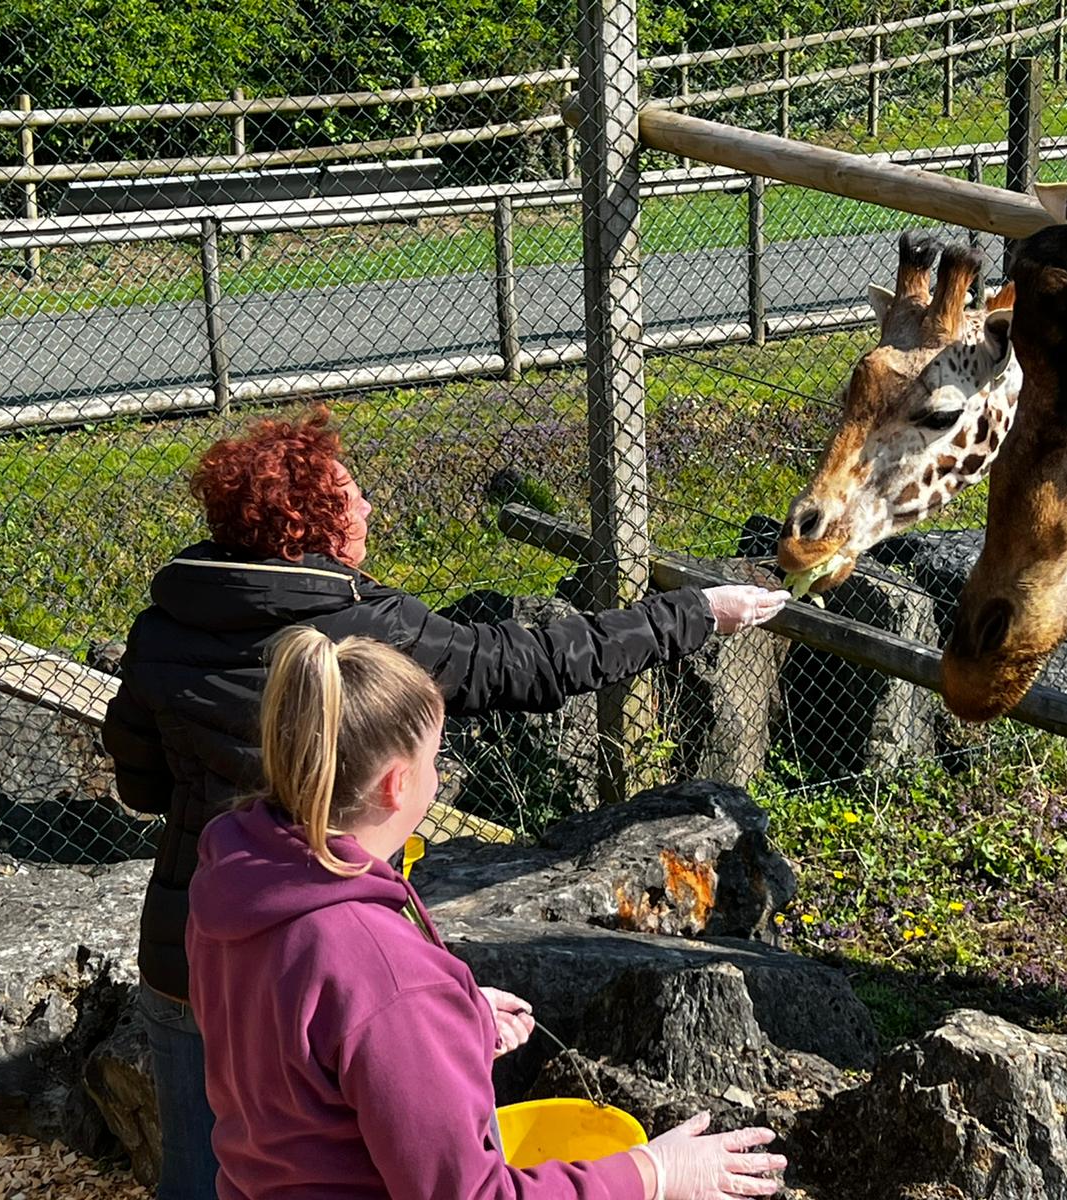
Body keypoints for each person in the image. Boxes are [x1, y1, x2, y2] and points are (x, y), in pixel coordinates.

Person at [101, 406, 790, 1200]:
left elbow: (140, 785)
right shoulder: (368, 634)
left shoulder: (164, 629)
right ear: (308, 527)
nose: (367, 506)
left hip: (201, 944)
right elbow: (528, 662)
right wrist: (690, 614)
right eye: (349, 495)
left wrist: (446, 1017)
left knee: (224, 1167)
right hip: (329, 948)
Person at [187, 627, 787, 1199]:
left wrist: (452, 1026)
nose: (438, 774)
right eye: (434, 758)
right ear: (397, 784)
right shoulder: (386, 974)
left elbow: (307, 1063)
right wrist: (653, 1171)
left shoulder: (237, 888)